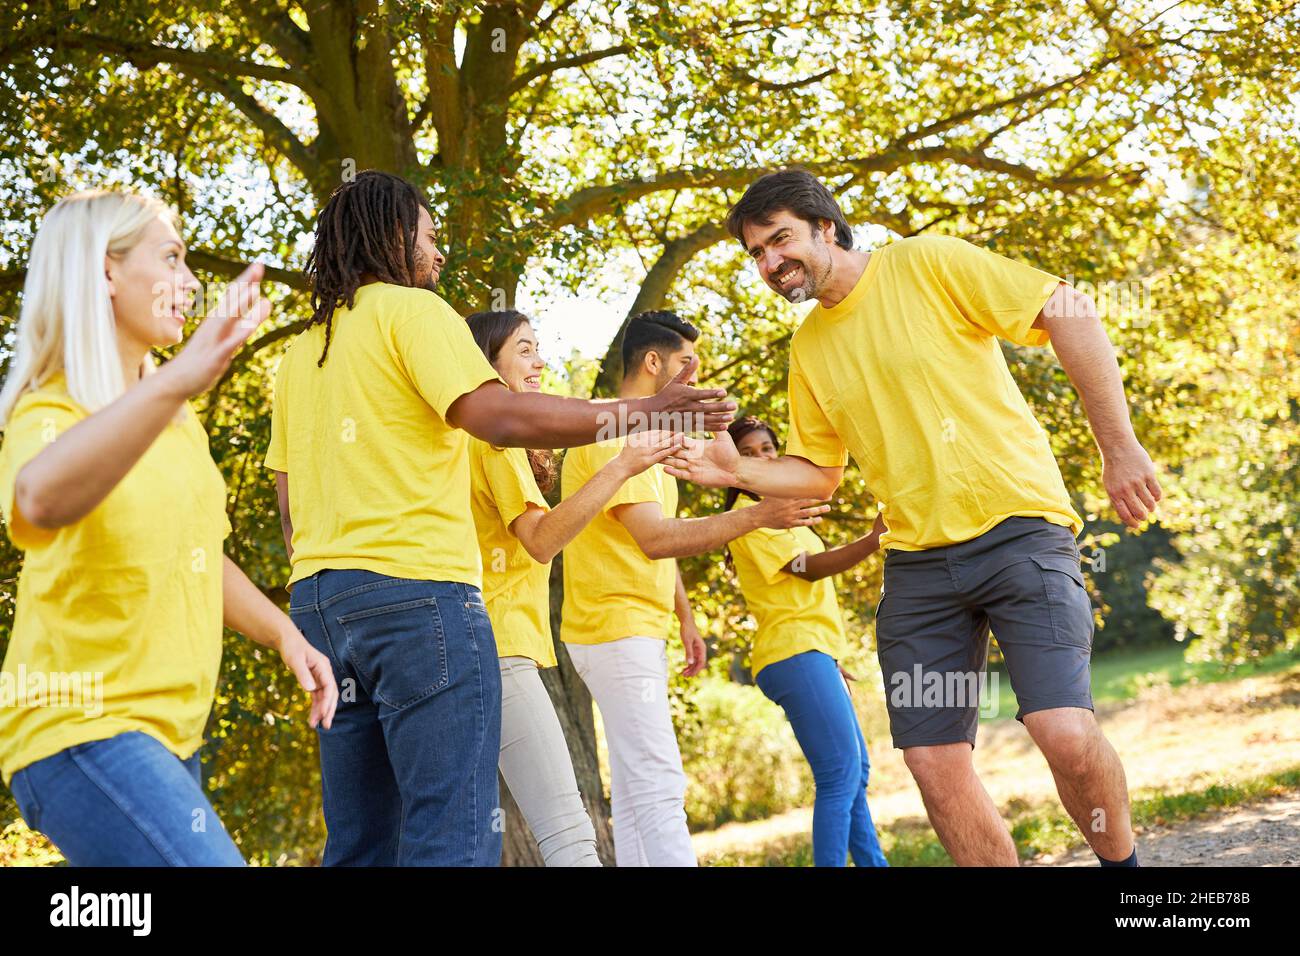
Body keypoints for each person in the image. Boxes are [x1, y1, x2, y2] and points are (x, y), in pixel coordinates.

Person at [666, 169, 1162, 867]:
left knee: (1065, 734)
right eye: (756, 254)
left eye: (780, 241)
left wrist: (1119, 446)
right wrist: (733, 472)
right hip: (920, 566)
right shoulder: (808, 349)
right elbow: (820, 474)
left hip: (1019, 527)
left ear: (825, 229)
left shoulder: (927, 262)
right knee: (933, 765)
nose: (771, 264)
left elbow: (1069, 310)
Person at [267, 171, 731, 866]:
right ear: (394, 235)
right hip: (419, 597)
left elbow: (288, 507)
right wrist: (640, 411)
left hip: (321, 606)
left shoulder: (301, 352)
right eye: (429, 236)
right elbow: (500, 417)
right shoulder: (416, 313)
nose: (439, 254)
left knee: (363, 842)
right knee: (451, 833)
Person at [0, 190, 338, 866]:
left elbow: (198, 557)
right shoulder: (51, 406)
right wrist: (176, 381)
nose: (190, 284)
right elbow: (37, 497)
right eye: (173, 259)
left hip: (171, 737)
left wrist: (284, 634)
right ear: (105, 272)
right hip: (79, 728)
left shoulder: (176, 424)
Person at [561, 310, 829, 867]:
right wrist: (757, 518)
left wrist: (683, 615)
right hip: (612, 628)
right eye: (686, 364)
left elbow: (655, 538)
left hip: (637, 627)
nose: (696, 376)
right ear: (652, 362)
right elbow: (657, 539)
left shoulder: (649, 434)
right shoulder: (610, 432)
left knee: (641, 790)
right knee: (658, 781)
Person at [466, 309, 683, 866]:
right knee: (568, 834)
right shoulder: (494, 442)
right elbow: (541, 541)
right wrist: (623, 464)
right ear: (487, 364)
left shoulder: (468, 439)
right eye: (524, 350)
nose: (540, 361)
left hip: (480, 640)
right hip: (501, 642)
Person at [724, 415, 889, 867]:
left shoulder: (792, 516)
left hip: (813, 653)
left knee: (855, 774)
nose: (761, 458)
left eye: (767, 449)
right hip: (792, 652)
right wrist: (873, 539)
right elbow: (808, 569)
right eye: (748, 453)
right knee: (838, 775)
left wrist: (829, 658)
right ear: (731, 465)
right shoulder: (748, 520)